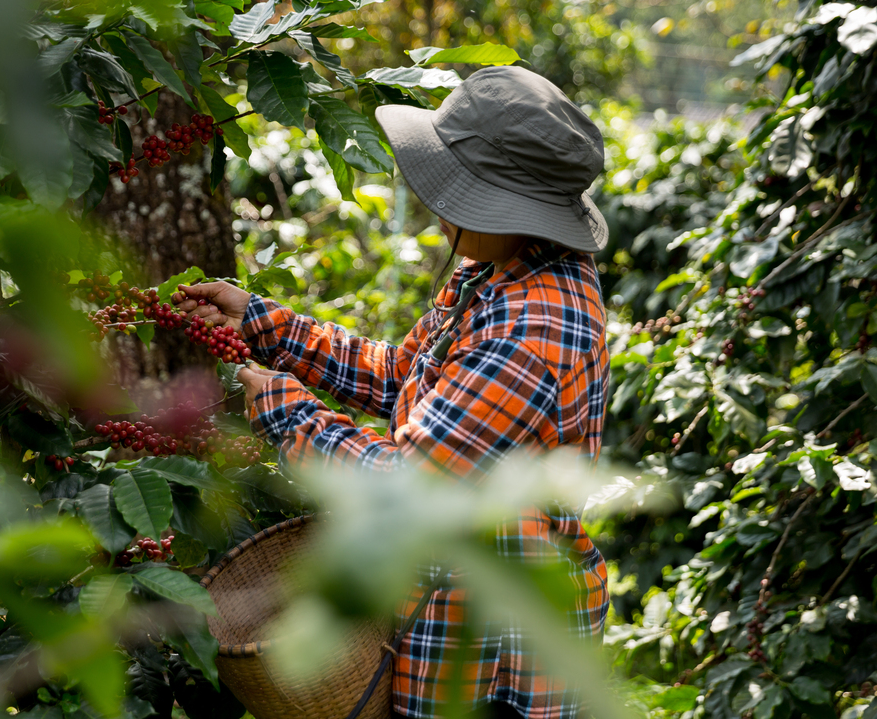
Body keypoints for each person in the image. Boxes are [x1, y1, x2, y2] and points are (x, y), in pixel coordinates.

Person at [174, 66, 611, 719]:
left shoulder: (535, 325)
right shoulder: (492, 274)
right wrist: (268, 327)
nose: (439, 205)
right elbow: (402, 375)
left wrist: (287, 414)